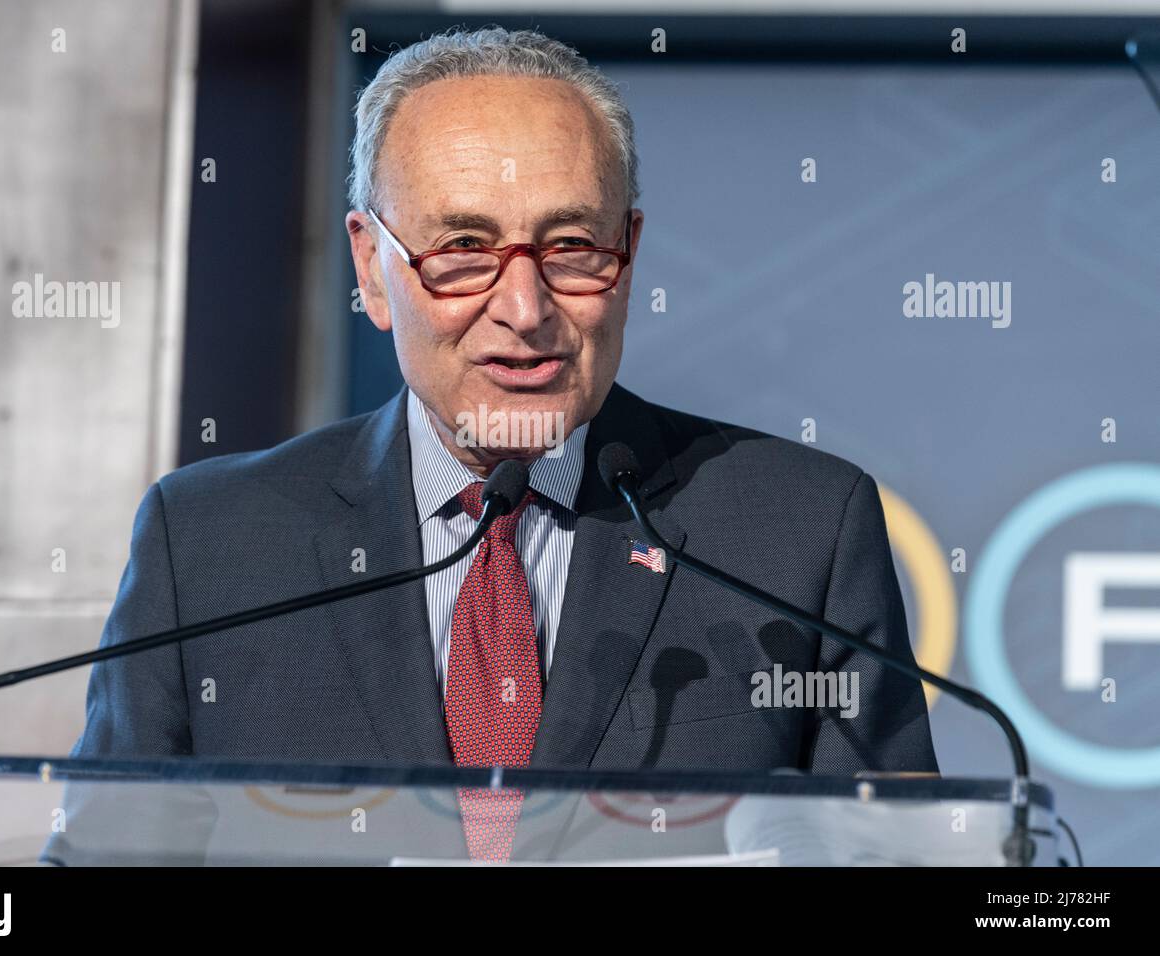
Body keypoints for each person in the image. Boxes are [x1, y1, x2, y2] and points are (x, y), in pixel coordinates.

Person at [72, 26, 937, 782]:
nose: (524, 310)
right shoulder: (211, 547)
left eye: (570, 246)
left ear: (628, 254)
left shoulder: (797, 535)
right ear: (373, 269)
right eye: (462, 248)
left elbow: (897, 856)